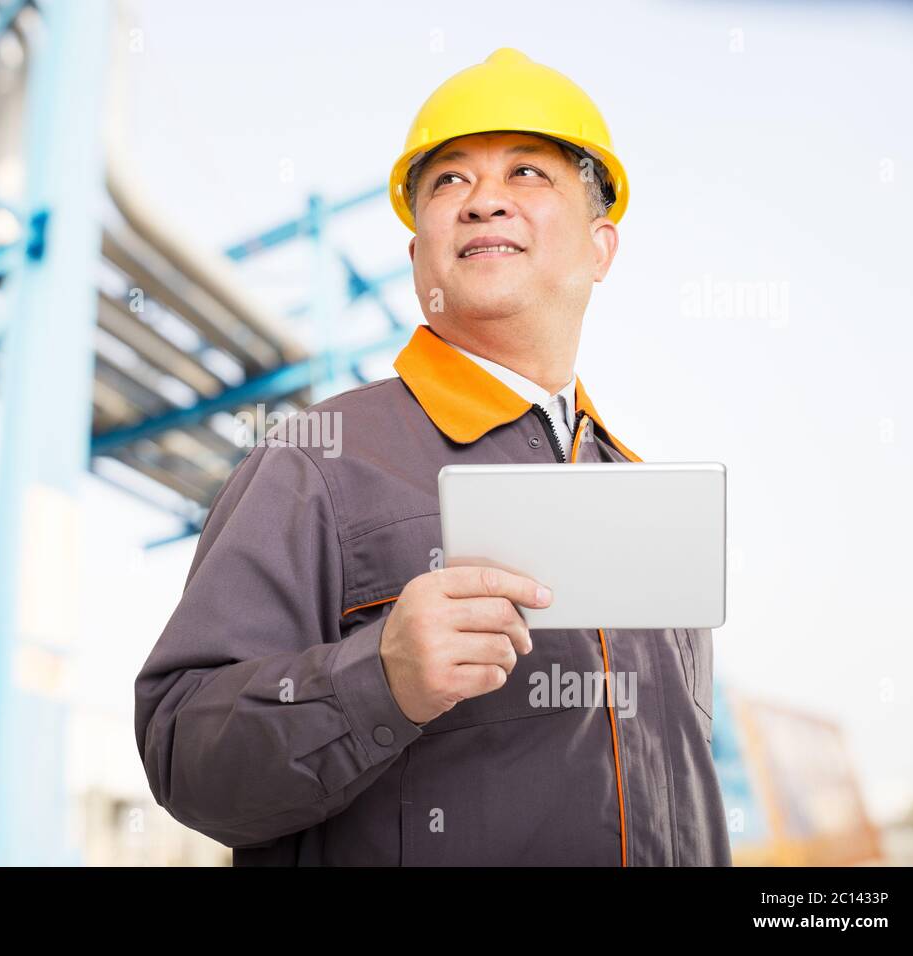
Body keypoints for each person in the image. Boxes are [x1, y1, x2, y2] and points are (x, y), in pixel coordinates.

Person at [134, 48, 730, 866]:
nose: (484, 200)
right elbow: (181, 751)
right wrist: (377, 679)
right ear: (420, 261)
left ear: (601, 248)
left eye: (528, 172)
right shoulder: (320, 464)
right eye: (448, 182)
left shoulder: (647, 506)